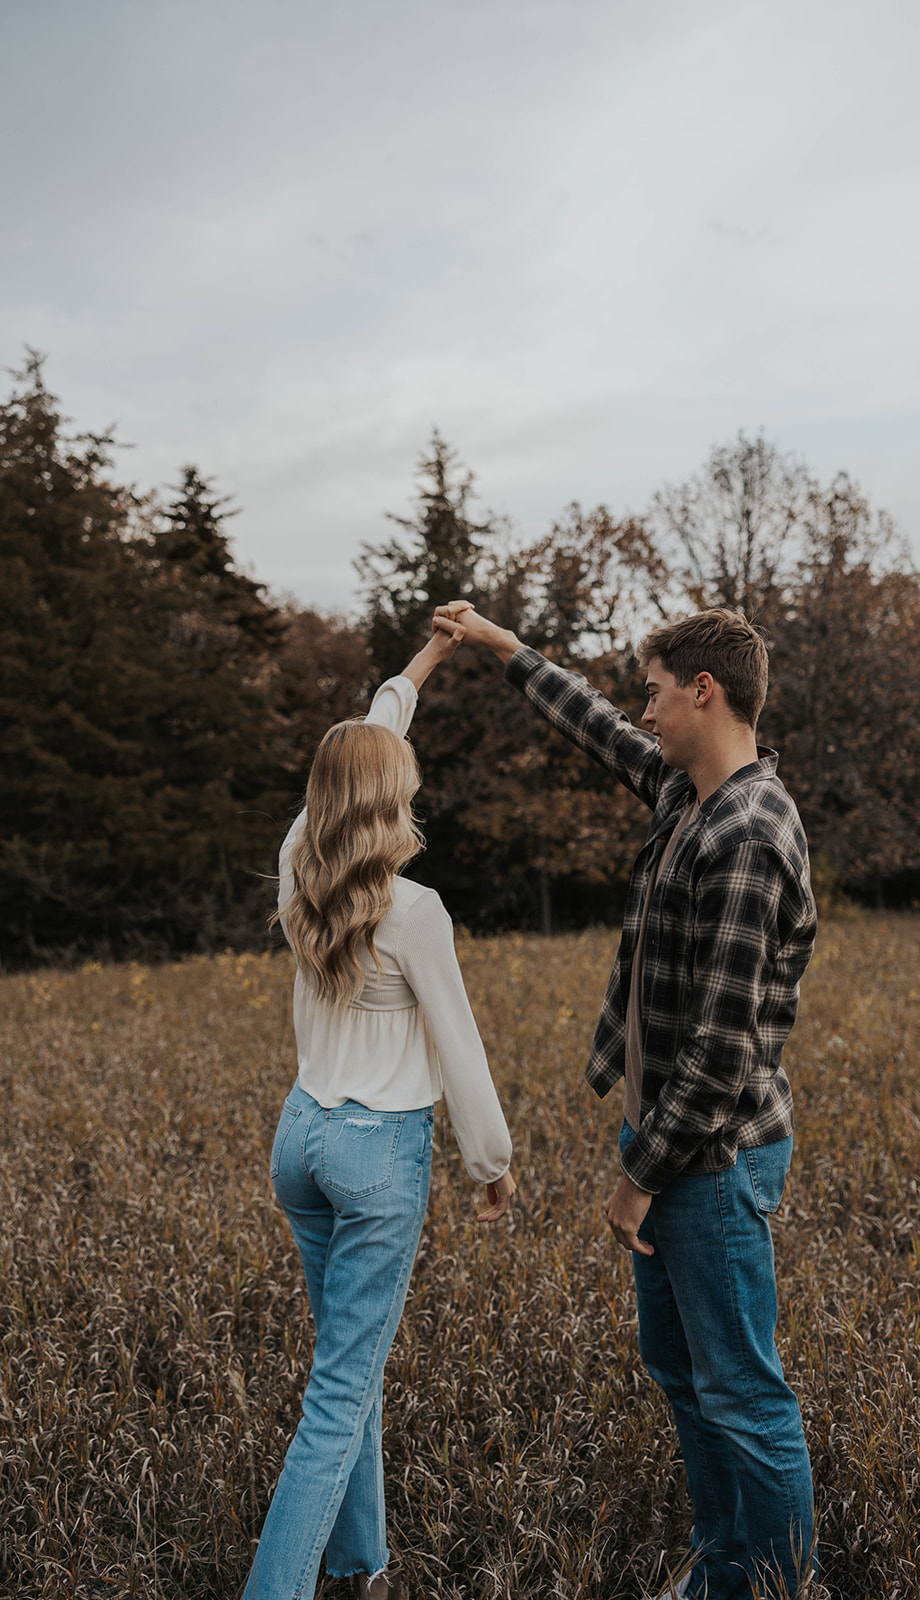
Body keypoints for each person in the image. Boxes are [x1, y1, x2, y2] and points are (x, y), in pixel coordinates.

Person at [434, 602, 816, 1600]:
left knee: (740, 1390)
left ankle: (776, 1587)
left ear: (703, 691)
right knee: (686, 1377)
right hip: (666, 1138)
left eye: (653, 691)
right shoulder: (687, 792)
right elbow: (593, 724)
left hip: (707, 1156)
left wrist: (638, 1180)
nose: (640, 712)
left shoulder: (744, 832)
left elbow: (723, 1050)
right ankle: (724, 1570)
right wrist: (498, 645)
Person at [244, 621, 517, 1600]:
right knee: (338, 1392)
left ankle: (360, 1563)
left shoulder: (294, 862)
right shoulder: (414, 909)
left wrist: (425, 664)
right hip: (372, 1159)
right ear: (387, 797)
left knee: (346, 1372)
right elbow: (460, 1043)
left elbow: (367, 730)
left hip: (301, 1140)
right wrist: (490, 1161)